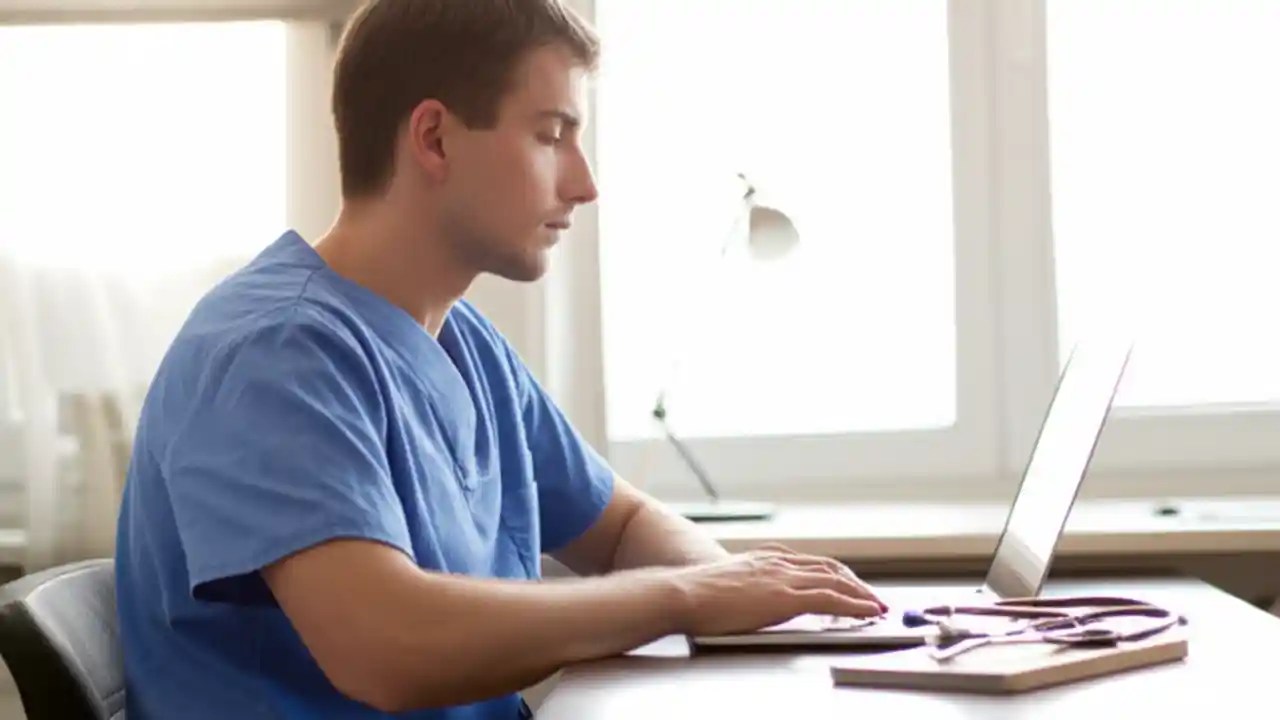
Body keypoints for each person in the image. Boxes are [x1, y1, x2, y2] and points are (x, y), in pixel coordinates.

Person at [113, 1, 887, 718]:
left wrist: (746, 598)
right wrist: (685, 596)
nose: (584, 184)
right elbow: (385, 648)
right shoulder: (276, 352)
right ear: (434, 139)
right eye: (552, 134)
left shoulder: (465, 344)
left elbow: (620, 527)